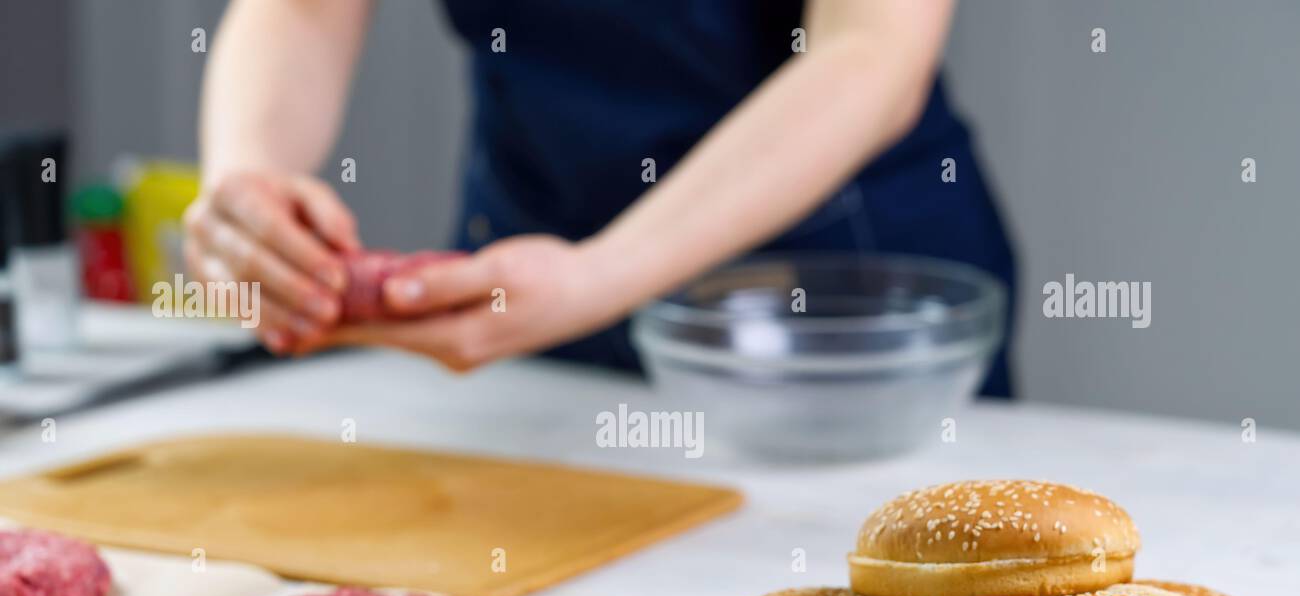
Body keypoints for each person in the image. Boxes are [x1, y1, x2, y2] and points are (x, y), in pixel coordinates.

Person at [184, 0, 1016, 395]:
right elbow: (305, 11)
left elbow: (872, 50)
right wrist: (248, 177)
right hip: (527, 263)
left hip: (832, 308)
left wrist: (601, 276)